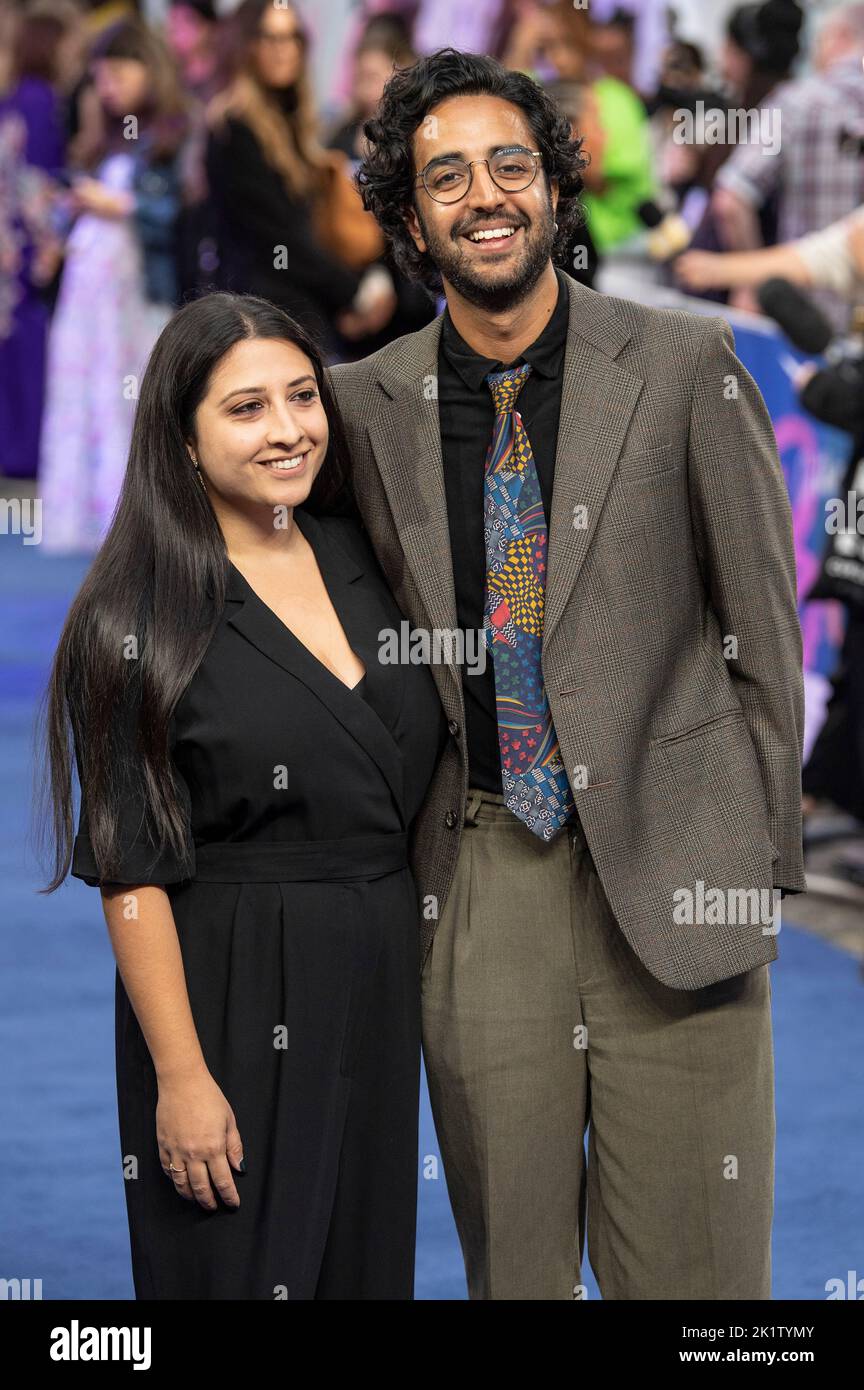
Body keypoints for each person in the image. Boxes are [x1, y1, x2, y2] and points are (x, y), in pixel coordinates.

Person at [330, 46, 805, 1299]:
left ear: (554, 188)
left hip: (677, 873)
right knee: (517, 1275)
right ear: (410, 217)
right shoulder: (359, 407)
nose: (485, 195)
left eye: (509, 165)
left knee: (702, 1289)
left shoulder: (686, 364)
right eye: (446, 178)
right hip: (483, 873)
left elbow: (768, 635)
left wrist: (757, 860)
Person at [39, 291, 447, 1299]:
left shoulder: (365, 554)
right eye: (246, 408)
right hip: (228, 987)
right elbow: (130, 871)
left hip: (379, 977)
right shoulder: (135, 614)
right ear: (180, 440)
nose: (289, 430)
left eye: (303, 397)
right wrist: (181, 1078)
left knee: (361, 1272)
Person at [37, 17, 189, 553]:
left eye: (118, 73)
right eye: (101, 77)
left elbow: (177, 217)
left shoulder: (171, 135)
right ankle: (92, 521)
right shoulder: (106, 139)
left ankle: (133, 527)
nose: (108, 88)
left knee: (131, 403)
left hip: (136, 298)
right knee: (89, 400)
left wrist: (116, 204)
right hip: (90, 299)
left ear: (149, 68)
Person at [203, 0, 394, 355]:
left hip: (301, 305)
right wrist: (353, 291)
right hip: (260, 314)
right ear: (247, 45)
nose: (282, 50)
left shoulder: (293, 119)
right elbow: (279, 241)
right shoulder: (234, 127)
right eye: (269, 38)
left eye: (292, 38)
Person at [710, 1, 864, 329]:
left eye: (819, 41)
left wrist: (751, 280)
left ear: (840, 36)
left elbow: (731, 197)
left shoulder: (797, 102)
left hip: (802, 314)